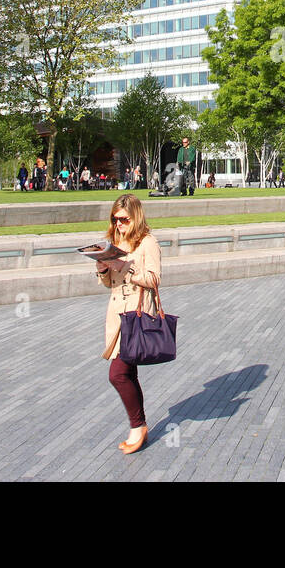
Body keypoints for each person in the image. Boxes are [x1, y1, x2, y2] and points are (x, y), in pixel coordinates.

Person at [95, 194, 162, 455]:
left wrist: (126, 266)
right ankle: (138, 426)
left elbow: (154, 279)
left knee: (118, 373)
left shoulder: (148, 243)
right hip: (117, 315)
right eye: (115, 219)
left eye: (123, 219)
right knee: (128, 373)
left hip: (137, 314)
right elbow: (108, 283)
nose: (119, 224)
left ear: (135, 217)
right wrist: (103, 267)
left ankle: (139, 426)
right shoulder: (115, 242)